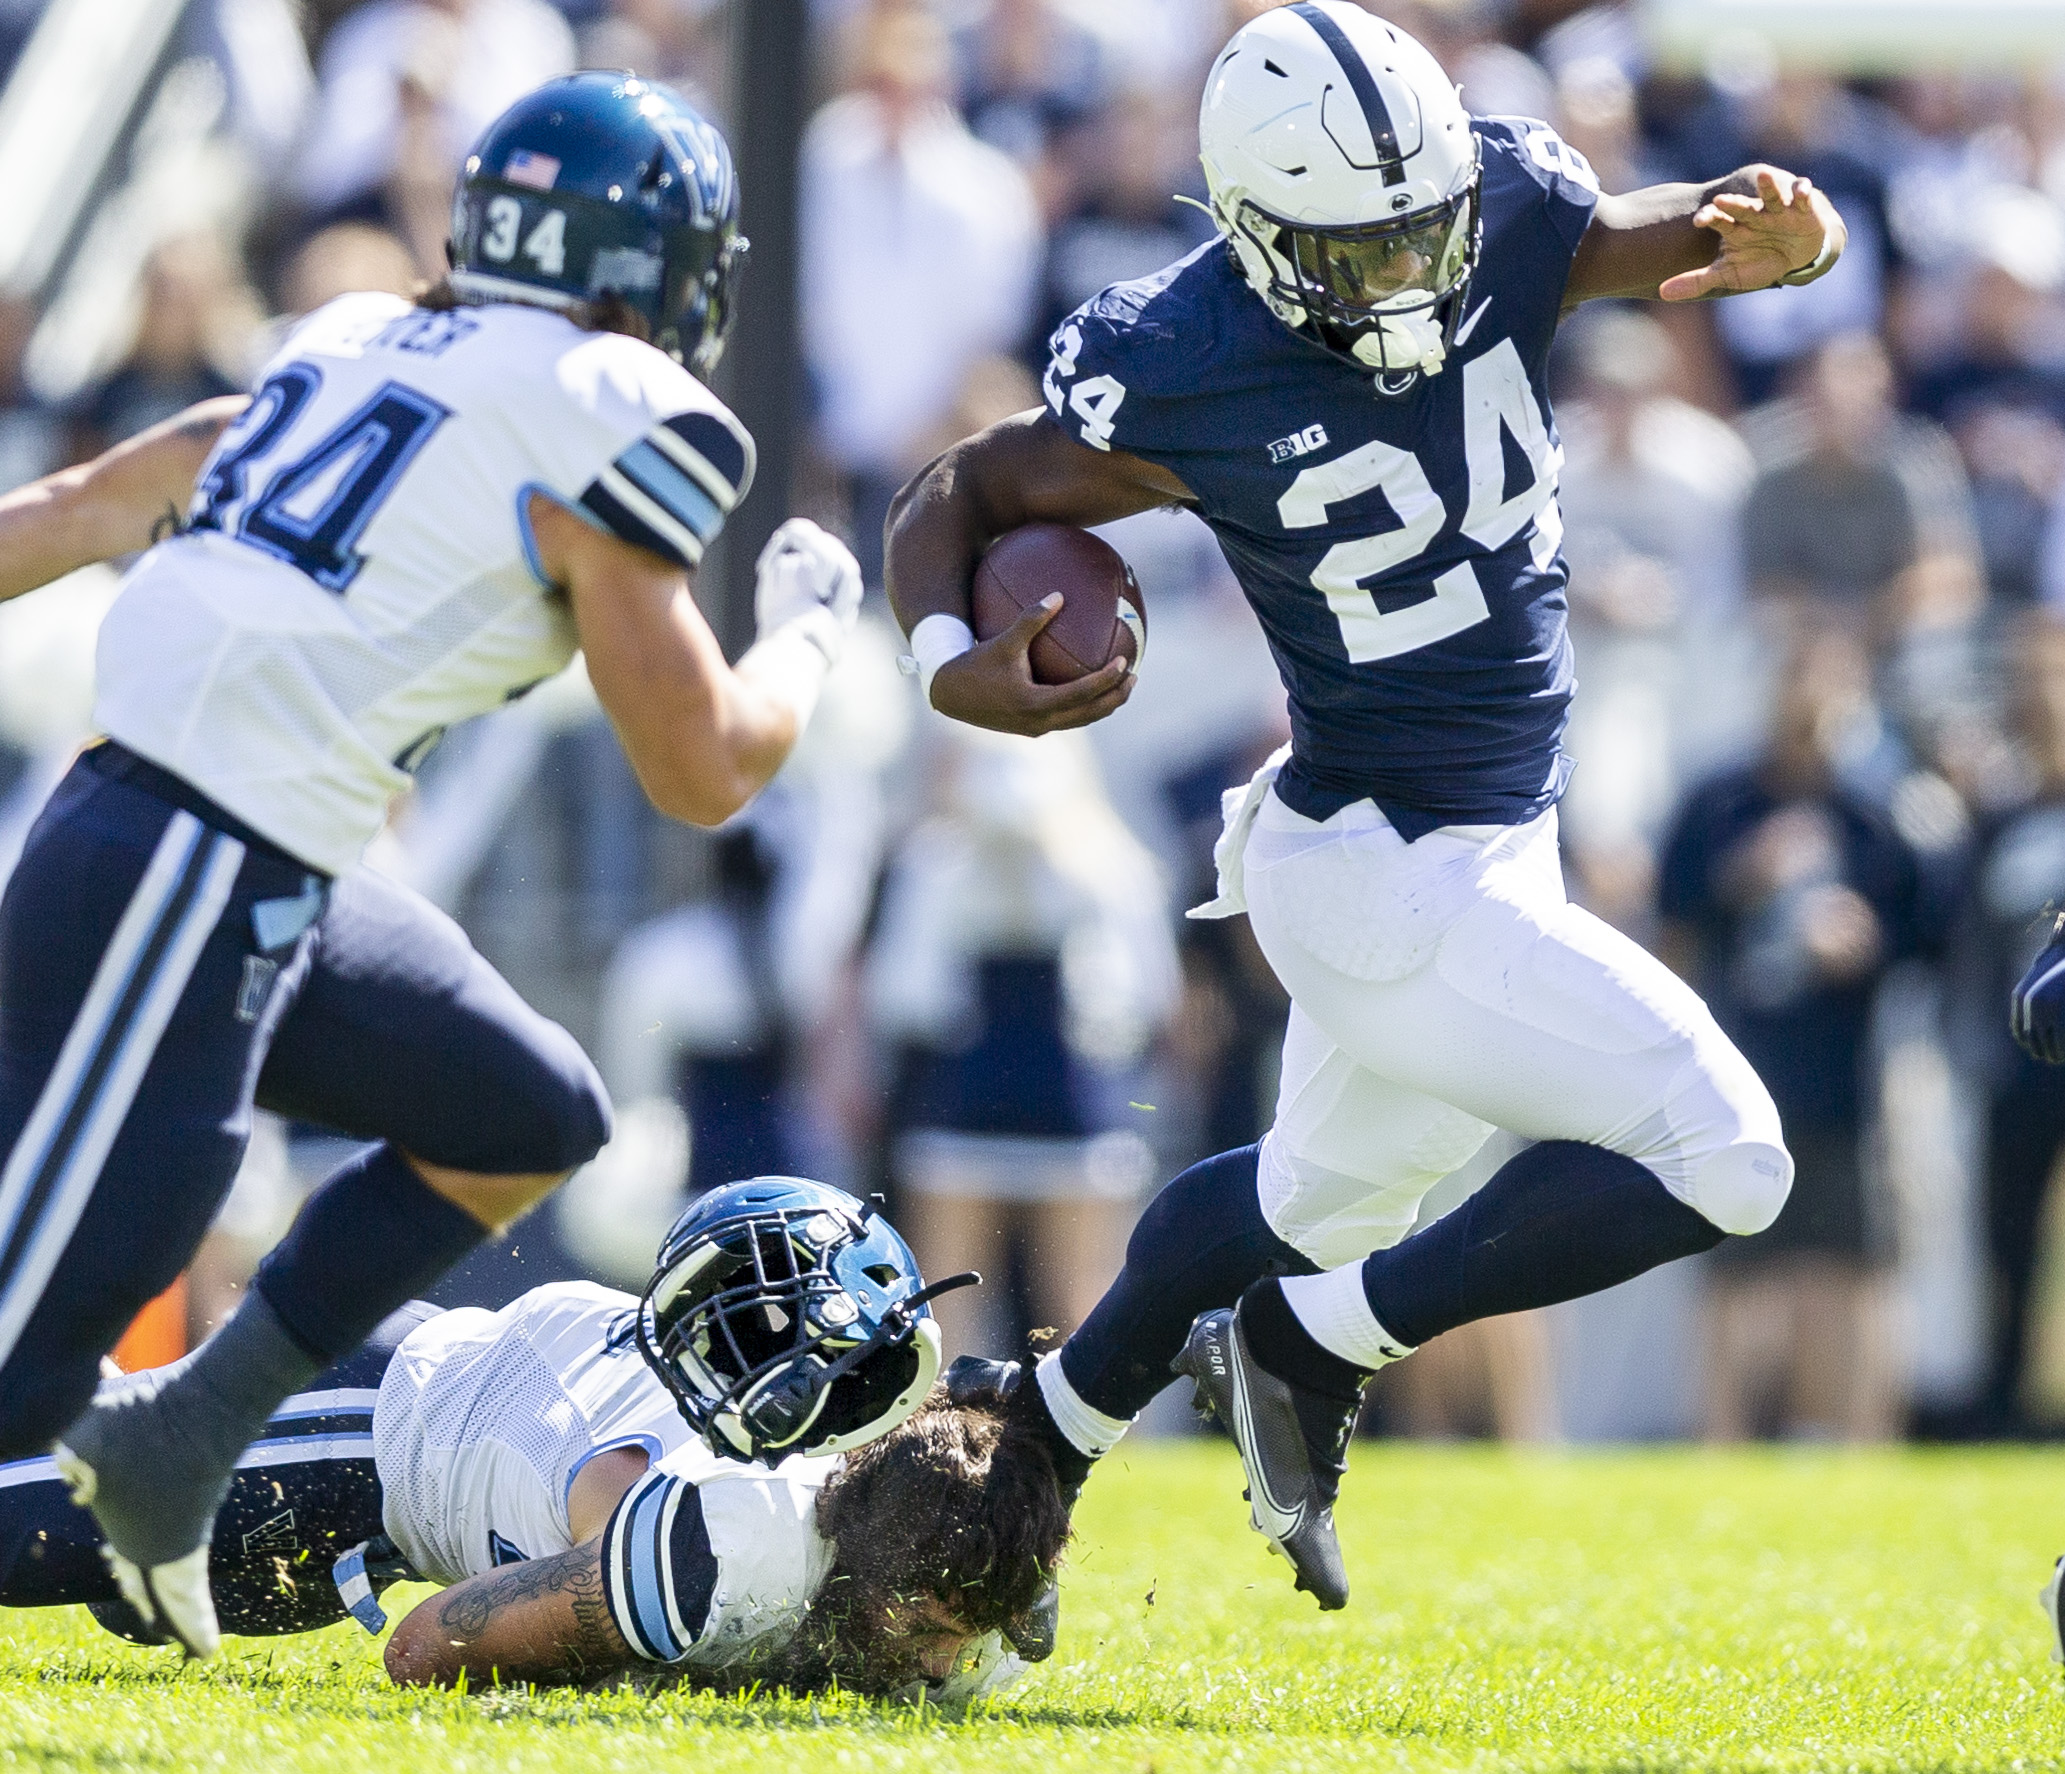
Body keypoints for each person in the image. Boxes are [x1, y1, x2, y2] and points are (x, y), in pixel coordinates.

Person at [885, 2, 1843, 1611]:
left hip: (1462, 838)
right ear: (1253, 236)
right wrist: (940, 658)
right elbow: (961, 490)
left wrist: (1769, 235)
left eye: (1424, 232)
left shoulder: (1502, 209)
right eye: (1357, 250)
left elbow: (1624, 240)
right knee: (1727, 1152)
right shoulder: (1185, 355)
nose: (1405, 274)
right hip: (1389, 874)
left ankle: (1026, 1453)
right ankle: (1302, 1340)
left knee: (1294, 1198)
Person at [0, 72, 864, 1661]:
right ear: (657, 271)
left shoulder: (348, 342)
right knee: (15, 1392)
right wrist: (811, 625)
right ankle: (140, 1453)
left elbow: (87, 503)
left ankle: (187, 1438)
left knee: (522, 1107)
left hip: (245, 861)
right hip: (179, 865)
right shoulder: (608, 403)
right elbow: (703, 765)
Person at [0, 1181, 1061, 1699]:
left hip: (393, 1507)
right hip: (363, 1429)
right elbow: (422, 1647)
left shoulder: (911, 1510)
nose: (941, 1662)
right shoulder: (708, 1521)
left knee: (124, 1602)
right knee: (24, 1530)